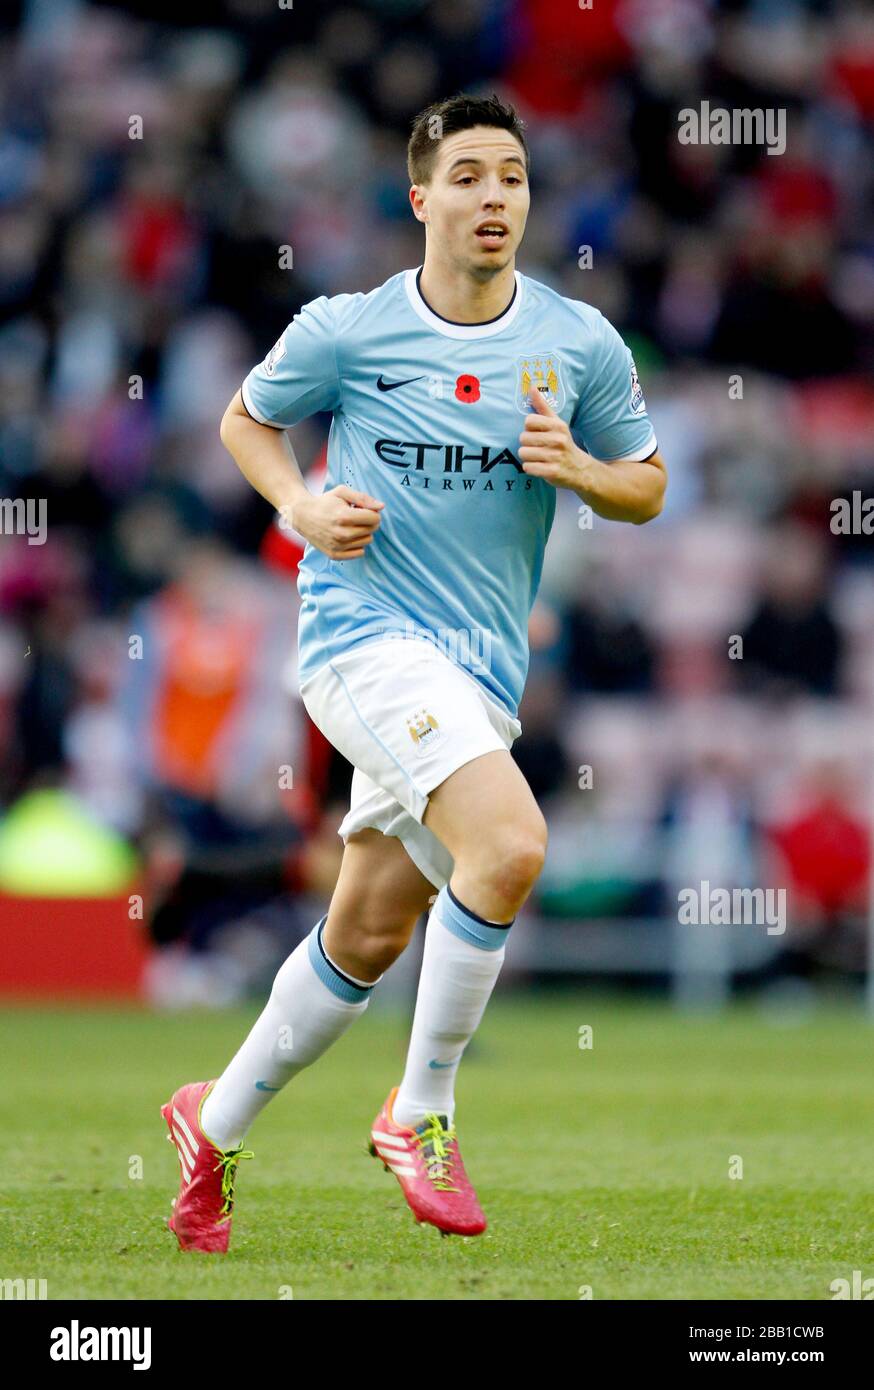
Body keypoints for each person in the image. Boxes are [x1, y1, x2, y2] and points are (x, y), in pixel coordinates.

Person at [161, 92, 667, 1252]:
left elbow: (645, 484)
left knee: (370, 929)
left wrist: (580, 470)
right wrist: (300, 506)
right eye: (470, 176)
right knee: (512, 845)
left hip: (482, 670)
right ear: (421, 197)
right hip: (362, 639)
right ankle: (421, 1110)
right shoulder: (348, 329)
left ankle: (210, 1120)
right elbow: (247, 420)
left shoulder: (576, 342)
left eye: (512, 177)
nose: (495, 198)